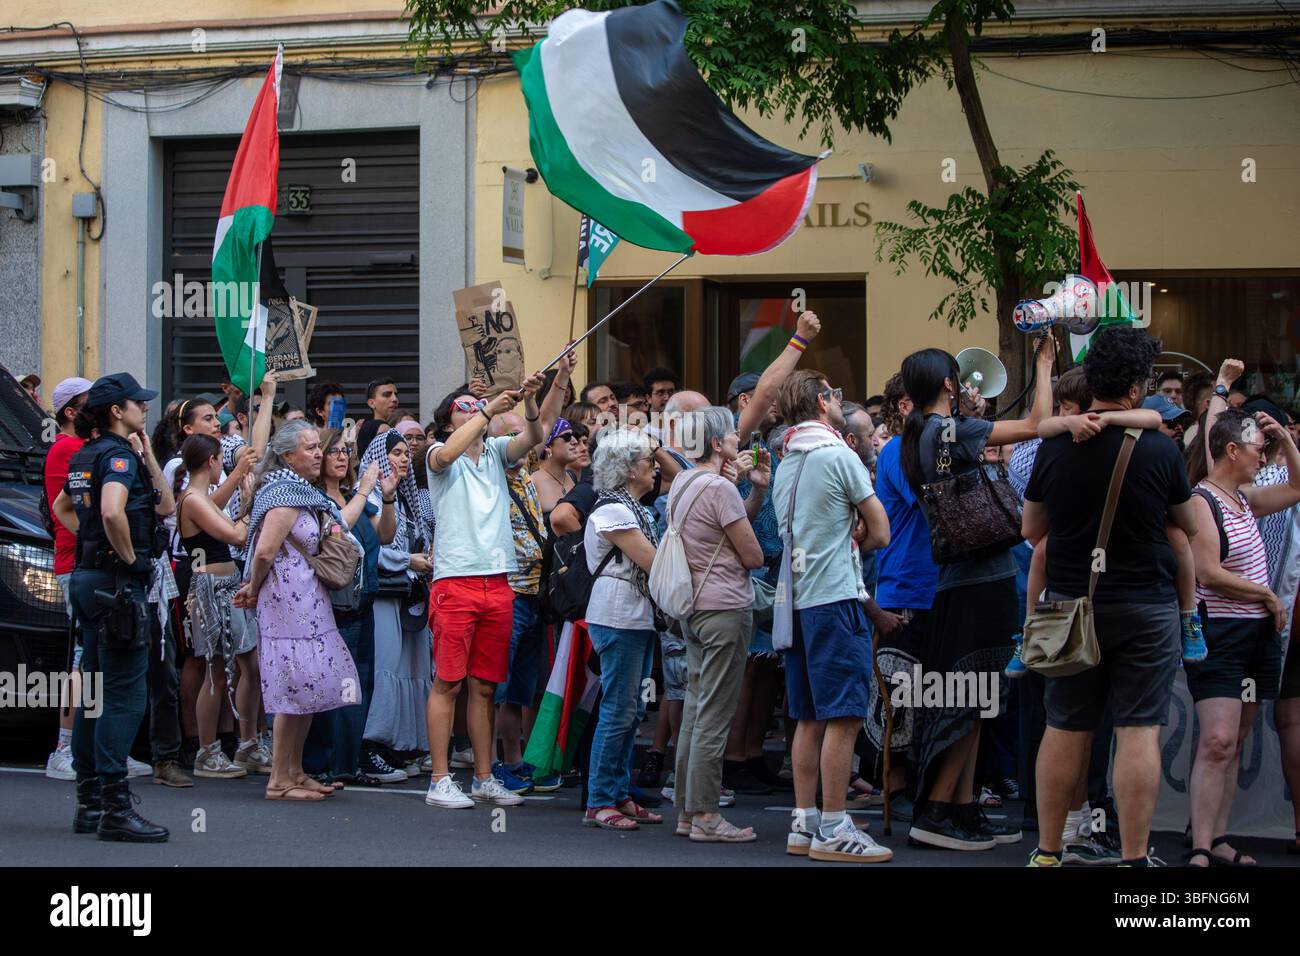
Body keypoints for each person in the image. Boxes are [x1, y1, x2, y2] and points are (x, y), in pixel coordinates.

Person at [1022, 327, 1198, 867]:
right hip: (1146, 604)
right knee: (1137, 728)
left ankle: (1048, 852)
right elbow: (1188, 525)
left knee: (1065, 726)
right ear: (1137, 387)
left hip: (1072, 603)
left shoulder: (1054, 447)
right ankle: (1133, 858)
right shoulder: (1158, 450)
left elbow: (1033, 530)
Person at [899, 336, 1057, 852]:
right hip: (977, 581)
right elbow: (1037, 425)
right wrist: (1044, 365)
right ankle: (941, 809)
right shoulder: (950, 431)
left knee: (974, 694)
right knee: (970, 694)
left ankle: (962, 807)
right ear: (948, 383)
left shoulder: (922, 433)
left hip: (960, 579)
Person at [771, 369, 893, 863]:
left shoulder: (786, 462)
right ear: (822, 403)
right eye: (835, 395)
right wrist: (859, 531)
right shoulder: (840, 455)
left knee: (806, 716)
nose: (841, 401)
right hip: (835, 597)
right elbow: (881, 532)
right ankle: (836, 827)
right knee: (843, 716)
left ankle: (805, 823)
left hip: (794, 602)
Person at [51, 373, 175, 841]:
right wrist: (127, 558)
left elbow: (161, 508)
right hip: (117, 587)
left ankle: (90, 804)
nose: (145, 408)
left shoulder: (89, 453)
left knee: (94, 693)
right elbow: (109, 511)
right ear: (116, 411)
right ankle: (116, 809)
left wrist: (148, 454)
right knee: (122, 696)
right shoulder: (117, 457)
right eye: (136, 403)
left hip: (88, 582)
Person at [422, 371, 547, 809]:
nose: (474, 406)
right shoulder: (439, 452)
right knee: (448, 683)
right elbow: (449, 453)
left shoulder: (495, 451)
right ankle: (439, 780)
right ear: (447, 422)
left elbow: (533, 437)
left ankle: (482, 776)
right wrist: (488, 409)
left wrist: (531, 401)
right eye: (464, 405)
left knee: (485, 687)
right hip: (455, 581)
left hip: (499, 581)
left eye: (477, 404)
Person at [1185, 394, 1300, 866]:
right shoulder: (1201, 500)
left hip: (1256, 638)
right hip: (1223, 634)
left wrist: (1285, 439)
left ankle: (1217, 837)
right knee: (1217, 740)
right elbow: (1208, 572)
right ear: (1232, 451)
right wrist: (1267, 595)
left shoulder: (1245, 499)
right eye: (1256, 446)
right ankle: (1198, 845)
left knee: (1237, 737)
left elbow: (1297, 486)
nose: (1262, 454)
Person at [233, 420, 362, 801]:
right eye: (309, 448)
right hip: (287, 605)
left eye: (316, 446)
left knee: (308, 688)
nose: (318, 453)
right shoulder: (285, 493)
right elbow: (264, 552)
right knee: (292, 690)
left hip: (307, 601)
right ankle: (278, 779)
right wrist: (253, 589)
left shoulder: (301, 491)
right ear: (288, 455)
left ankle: (296, 770)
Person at [670, 407, 769, 842]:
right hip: (725, 608)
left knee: (695, 709)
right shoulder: (719, 488)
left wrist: (756, 491)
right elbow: (752, 555)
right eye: (731, 434)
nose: (737, 439)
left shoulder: (683, 481)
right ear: (715, 443)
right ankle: (708, 815)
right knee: (715, 713)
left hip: (692, 608)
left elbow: (722, 523)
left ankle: (688, 811)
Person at [581, 429, 664, 829]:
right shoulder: (613, 511)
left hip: (635, 616)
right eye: (649, 461)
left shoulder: (632, 507)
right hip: (618, 616)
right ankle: (600, 801)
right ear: (630, 470)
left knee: (630, 711)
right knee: (618, 709)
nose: (655, 468)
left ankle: (618, 792)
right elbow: (654, 562)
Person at [173, 434, 266, 778]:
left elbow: (218, 500)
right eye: (221, 463)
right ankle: (207, 751)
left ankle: (248, 744)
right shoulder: (193, 499)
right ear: (212, 461)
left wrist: (239, 477)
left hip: (225, 585)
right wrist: (251, 498)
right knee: (215, 671)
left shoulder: (201, 497)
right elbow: (237, 535)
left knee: (250, 666)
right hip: (211, 587)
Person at [308, 428, 397, 785]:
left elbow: (385, 535)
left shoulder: (357, 497)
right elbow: (337, 529)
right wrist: (364, 491)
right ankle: (321, 763)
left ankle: (347, 764)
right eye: (334, 452)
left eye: (346, 451)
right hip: (333, 604)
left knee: (358, 685)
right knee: (332, 683)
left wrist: (387, 499)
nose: (342, 457)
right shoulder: (315, 498)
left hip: (363, 600)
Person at [360, 430, 435, 779]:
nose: (405, 458)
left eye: (407, 452)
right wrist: (410, 561)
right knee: (386, 668)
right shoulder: (370, 494)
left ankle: (405, 746)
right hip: (384, 593)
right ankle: (373, 747)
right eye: (396, 452)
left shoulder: (408, 497)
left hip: (410, 594)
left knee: (413, 669)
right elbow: (377, 547)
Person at [42, 377, 104, 782]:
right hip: (76, 561)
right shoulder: (69, 448)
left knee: (98, 659)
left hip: (84, 560)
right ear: (71, 412)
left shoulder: (81, 447)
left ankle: (94, 749)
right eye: (90, 403)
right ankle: (65, 748)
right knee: (84, 658)